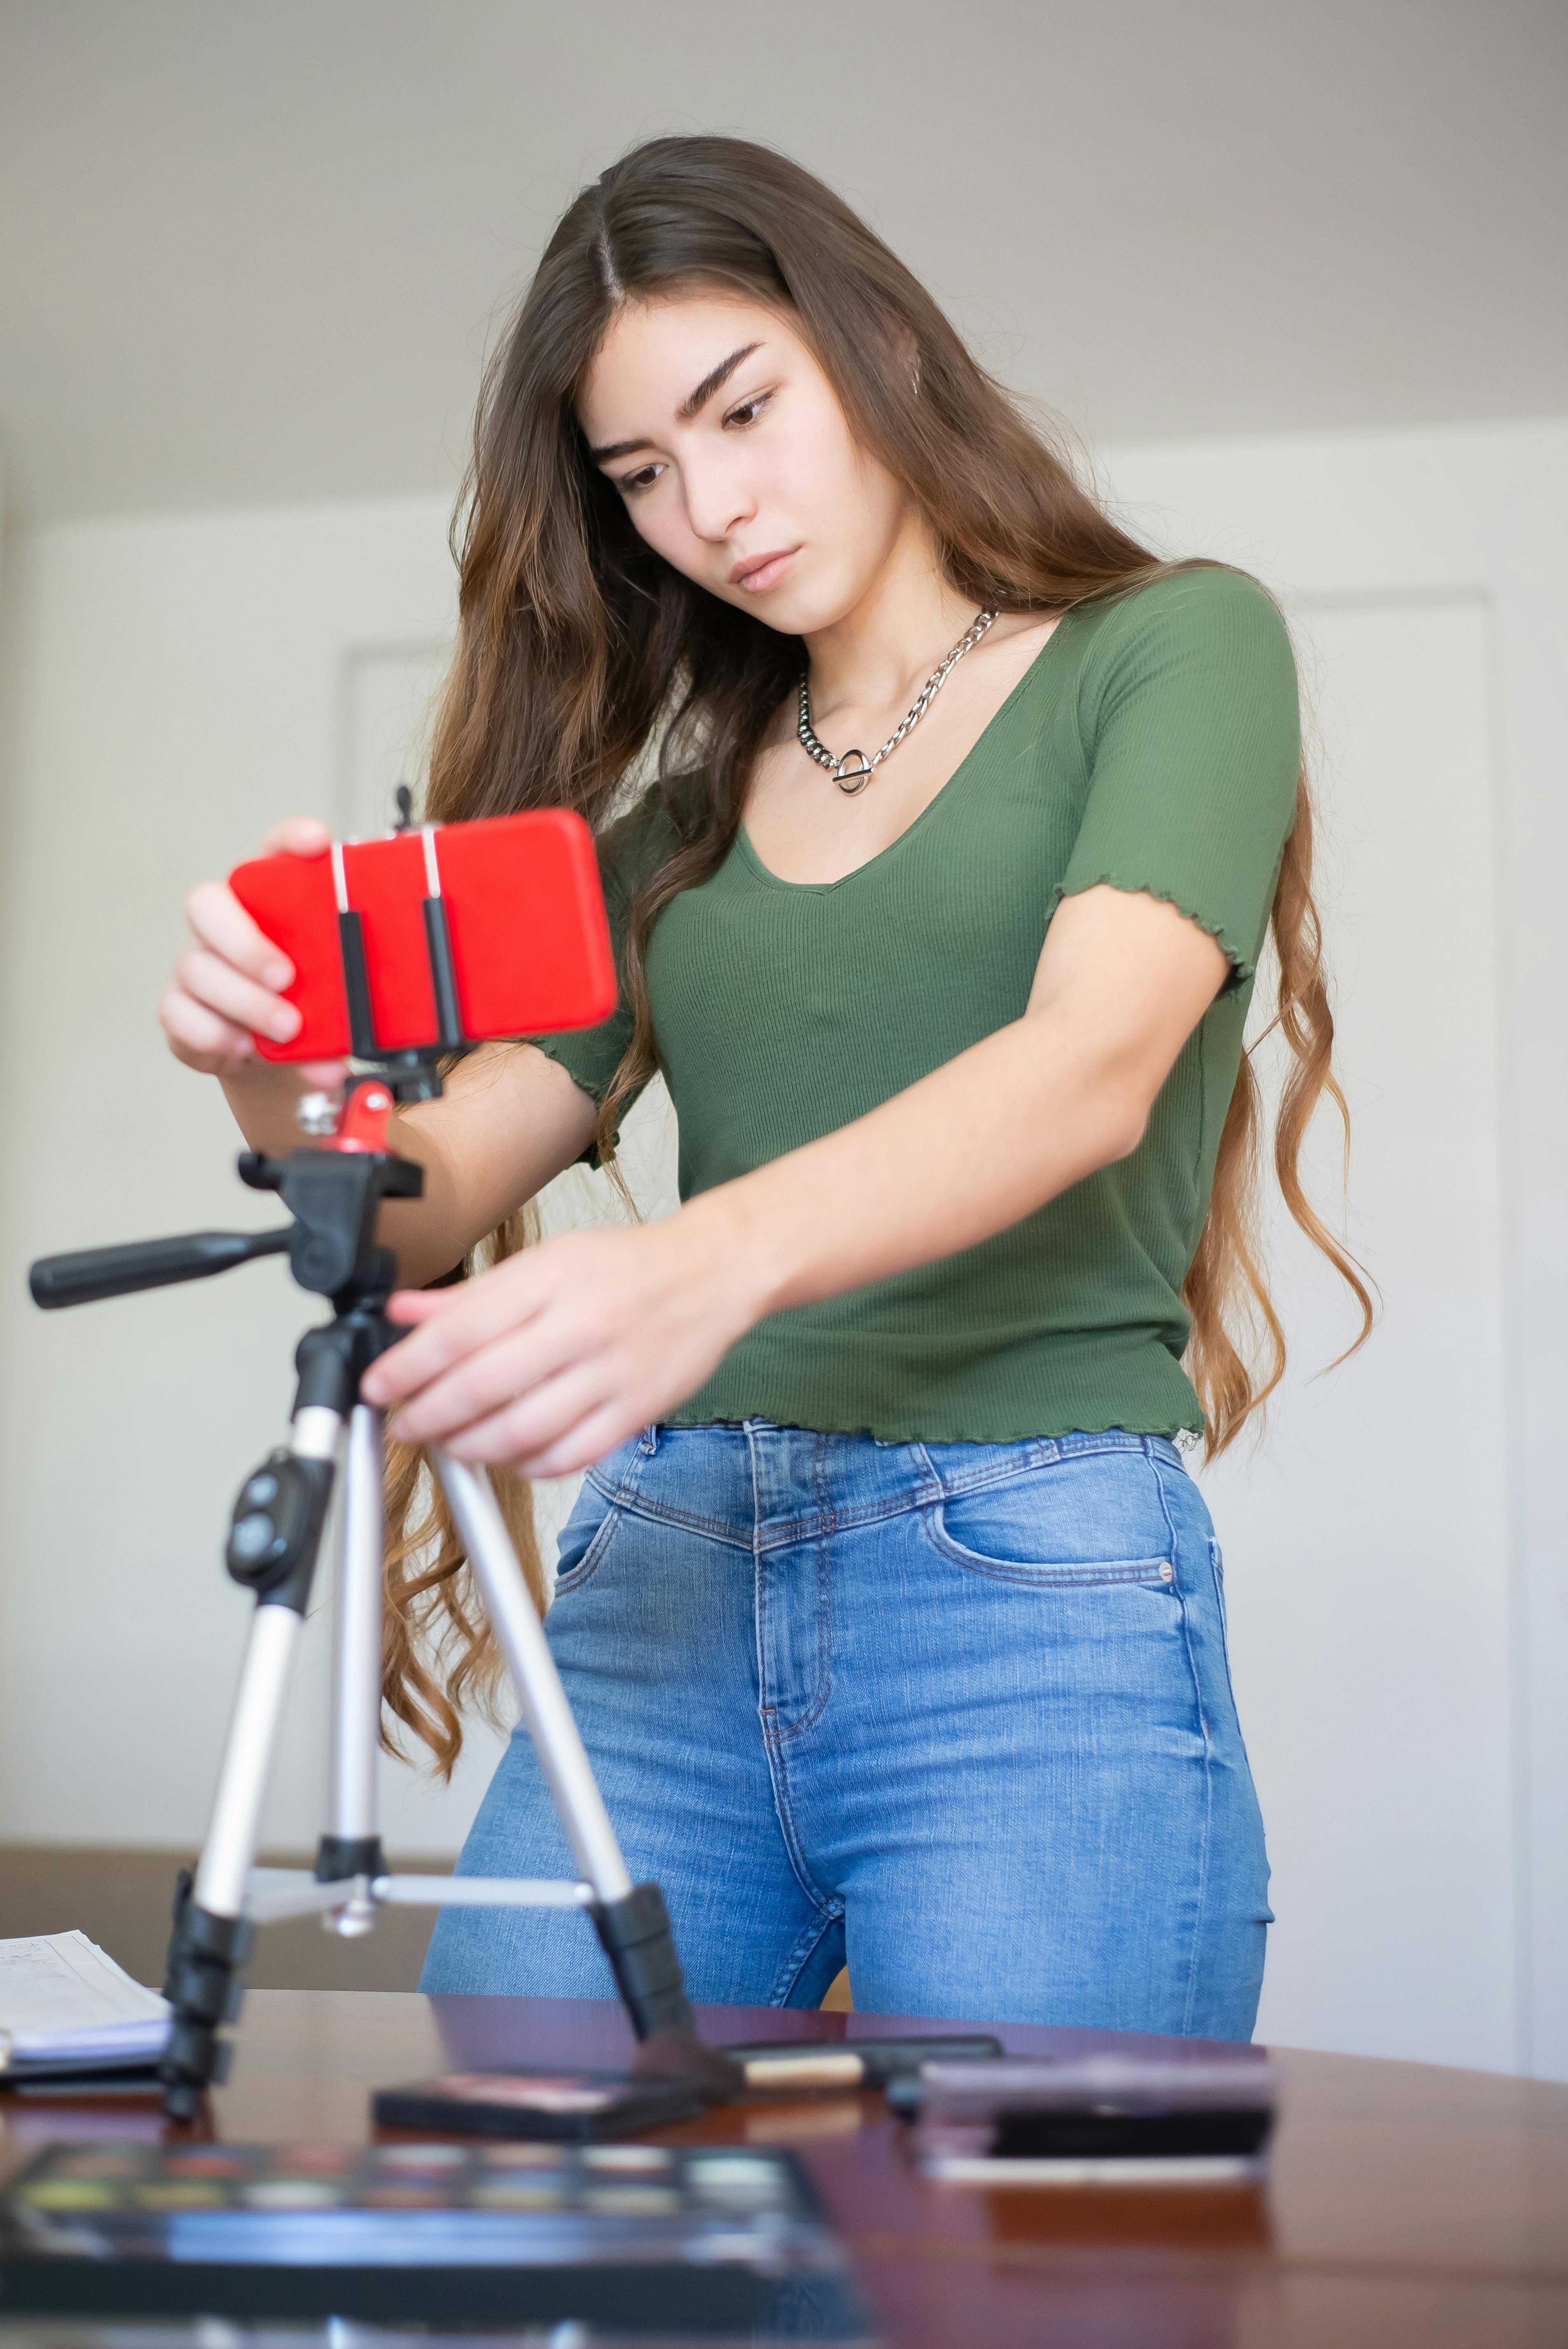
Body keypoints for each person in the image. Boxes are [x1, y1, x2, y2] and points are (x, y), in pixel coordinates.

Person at [159, 136, 1370, 2036]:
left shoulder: (1165, 650)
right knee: (524, 2239)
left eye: (743, 410)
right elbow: (421, 1192)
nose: (708, 506)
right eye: (638, 474)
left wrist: (695, 1267)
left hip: (1026, 1583)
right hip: (661, 1594)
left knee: (1029, 2282)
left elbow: (1086, 1070)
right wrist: (276, 1072)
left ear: (878, 344)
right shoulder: (667, 836)